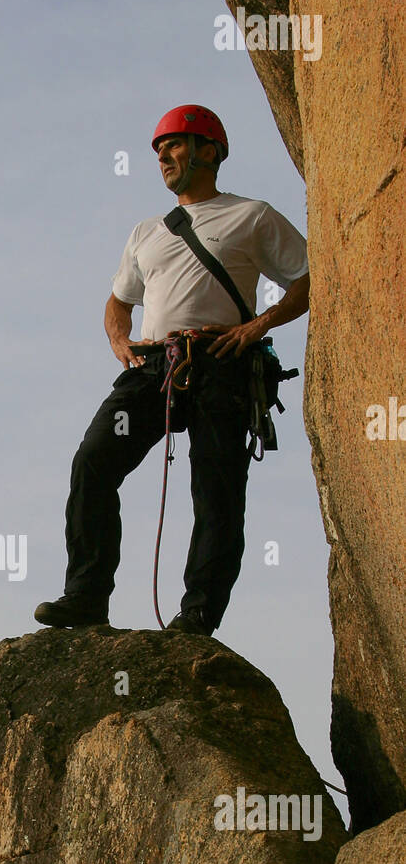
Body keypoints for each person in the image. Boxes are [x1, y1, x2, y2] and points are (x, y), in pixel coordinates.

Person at [34, 104, 310, 636]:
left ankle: (198, 616)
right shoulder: (147, 232)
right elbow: (118, 302)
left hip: (222, 362)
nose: (163, 155)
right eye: (159, 149)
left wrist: (259, 326)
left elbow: (307, 278)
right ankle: (86, 598)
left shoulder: (251, 215)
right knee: (93, 461)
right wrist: (120, 340)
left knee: (216, 489)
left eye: (175, 144)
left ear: (210, 151)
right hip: (156, 363)